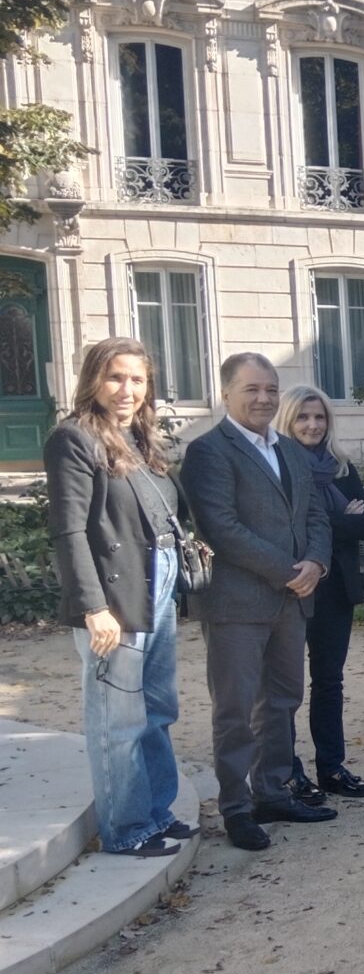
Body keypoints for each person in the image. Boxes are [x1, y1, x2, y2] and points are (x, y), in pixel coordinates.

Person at [180, 353, 336, 852]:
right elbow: (221, 529)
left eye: (271, 389)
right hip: (236, 605)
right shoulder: (208, 451)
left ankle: (272, 792)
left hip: (291, 602)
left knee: (283, 702)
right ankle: (237, 808)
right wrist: (290, 572)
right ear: (226, 393)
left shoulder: (290, 450)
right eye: (252, 389)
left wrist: (316, 562)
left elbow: (316, 516)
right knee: (236, 709)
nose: (264, 398)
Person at [45, 338, 191, 858]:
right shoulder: (74, 439)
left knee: (156, 708)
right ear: (93, 381)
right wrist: (94, 608)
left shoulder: (137, 438)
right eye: (115, 377)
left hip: (157, 585)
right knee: (118, 719)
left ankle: (156, 810)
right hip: (116, 593)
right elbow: (69, 532)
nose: (127, 389)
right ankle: (127, 829)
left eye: (137, 379)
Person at [276, 385, 364, 799]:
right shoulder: (278, 467)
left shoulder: (341, 467)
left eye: (319, 417)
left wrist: (325, 524)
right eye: (303, 417)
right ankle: (288, 770)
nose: (312, 425)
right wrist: (339, 518)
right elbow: (288, 531)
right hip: (292, 586)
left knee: (329, 681)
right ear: (288, 420)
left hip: (336, 587)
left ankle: (331, 768)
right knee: (285, 685)